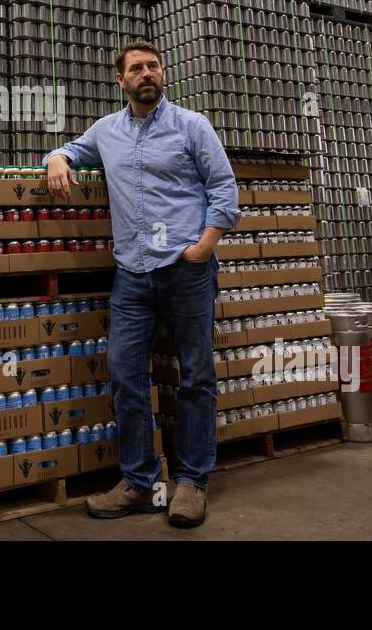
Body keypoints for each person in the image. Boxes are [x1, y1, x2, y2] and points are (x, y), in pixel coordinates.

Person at [45, 41, 240, 528]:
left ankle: (191, 483)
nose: (146, 73)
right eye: (136, 68)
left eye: (153, 66)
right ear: (122, 81)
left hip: (186, 270)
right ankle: (138, 480)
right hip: (132, 273)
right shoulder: (106, 131)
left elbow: (224, 191)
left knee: (195, 375)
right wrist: (56, 158)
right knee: (125, 373)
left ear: (162, 74)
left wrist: (203, 247)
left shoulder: (192, 126)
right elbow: (71, 148)